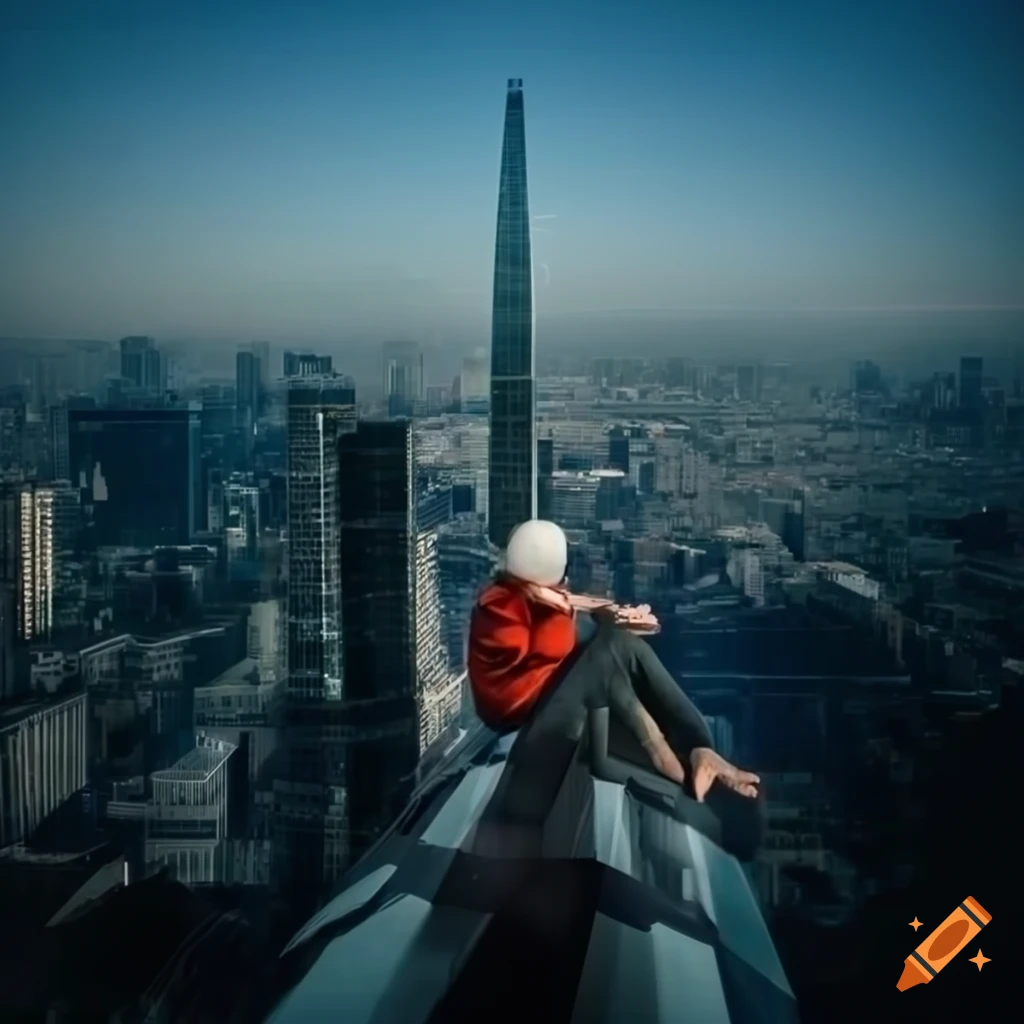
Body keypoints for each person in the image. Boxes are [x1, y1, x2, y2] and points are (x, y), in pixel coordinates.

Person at [468, 519, 762, 856]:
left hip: (549, 712)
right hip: (524, 723)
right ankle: (666, 757)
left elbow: (561, 612)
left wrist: (605, 613)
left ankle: (700, 749)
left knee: (620, 642)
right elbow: (548, 652)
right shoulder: (499, 608)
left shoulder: (523, 597)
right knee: (605, 653)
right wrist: (575, 613)